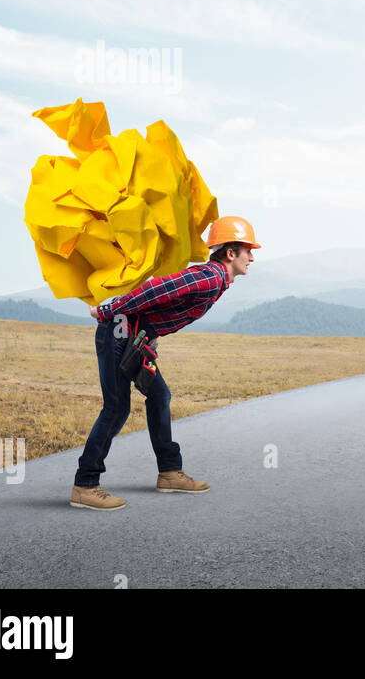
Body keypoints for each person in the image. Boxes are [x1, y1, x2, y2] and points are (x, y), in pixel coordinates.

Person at [69, 216, 262, 511]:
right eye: (248, 250)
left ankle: (170, 473)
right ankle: (85, 485)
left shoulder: (218, 280)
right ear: (231, 253)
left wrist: (150, 336)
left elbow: (162, 303)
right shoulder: (210, 276)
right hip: (118, 331)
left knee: (160, 396)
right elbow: (157, 289)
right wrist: (110, 310)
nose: (252, 256)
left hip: (133, 337)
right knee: (116, 408)